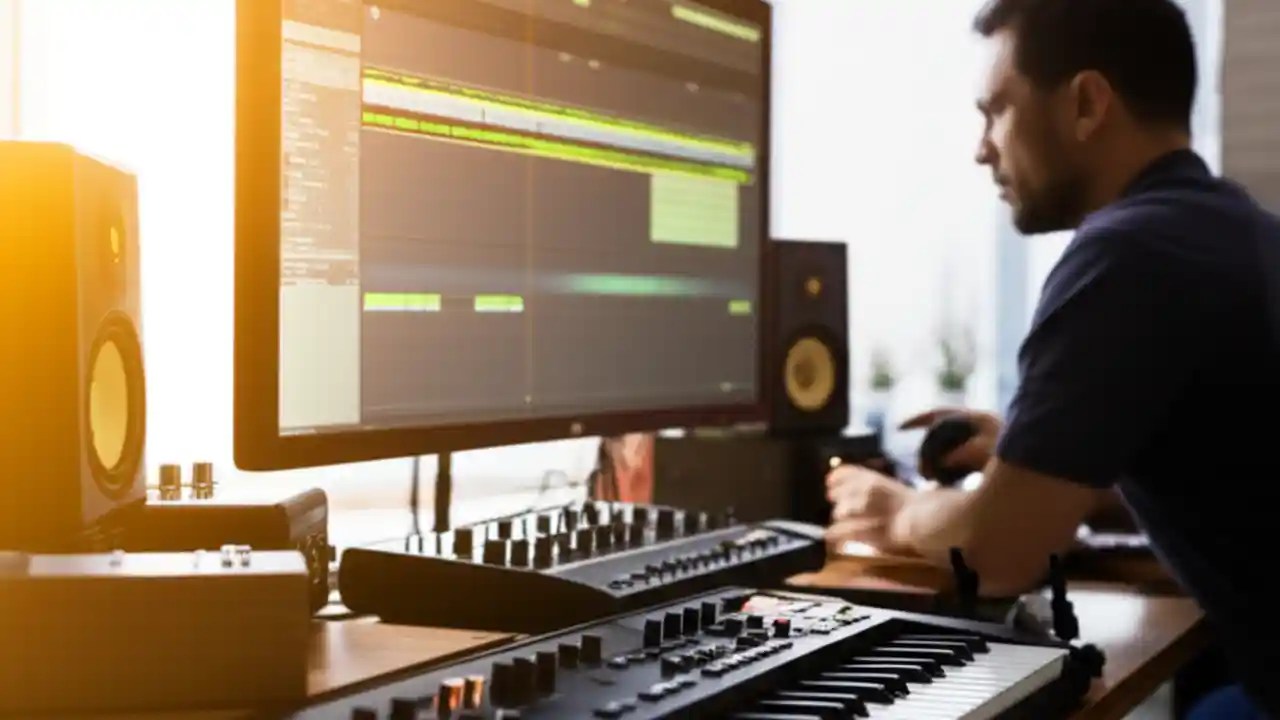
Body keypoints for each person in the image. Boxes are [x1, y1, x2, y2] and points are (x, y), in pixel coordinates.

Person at [824, 0, 1280, 716]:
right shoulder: (1241, 230)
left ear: (1088, 103)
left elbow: (999, 556)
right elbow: (1236, 470)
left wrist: (900, 510)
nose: (983, 147)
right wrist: (1045, 466)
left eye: (997, 110)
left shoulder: (1126, 250)